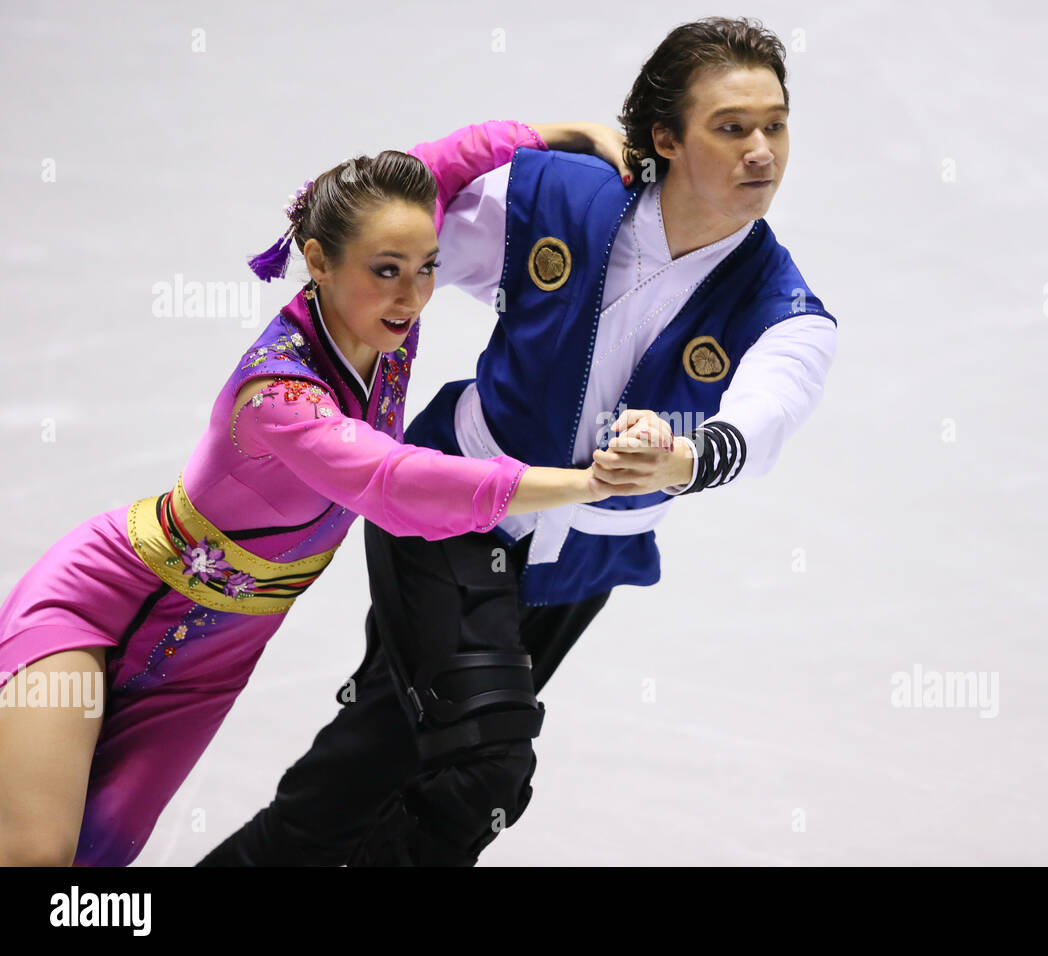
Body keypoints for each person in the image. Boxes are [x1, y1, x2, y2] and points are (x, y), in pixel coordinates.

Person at [199, 16, 838, 867]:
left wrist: (680, 457)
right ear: (664, 138)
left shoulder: (783, 307)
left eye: (775, 124)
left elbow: (766, 417)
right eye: (731, 128)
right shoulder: (558, 200)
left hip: (578, 567)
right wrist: (534, 137)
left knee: (381, 767)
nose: (762, 150)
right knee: (484, 772)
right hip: (448, 509)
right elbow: (366, 209)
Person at [0, 119, 635, 867]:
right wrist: (587, 483)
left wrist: (562, 131)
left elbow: (435, 167)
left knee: (98, 860)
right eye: (388, 270)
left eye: (426, 267)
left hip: (212, 657)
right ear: (318, 261)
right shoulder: (280, 398)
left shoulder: (378, 306)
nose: (413, 294)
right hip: (105, 599)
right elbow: (396, 485)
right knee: (39, 855)